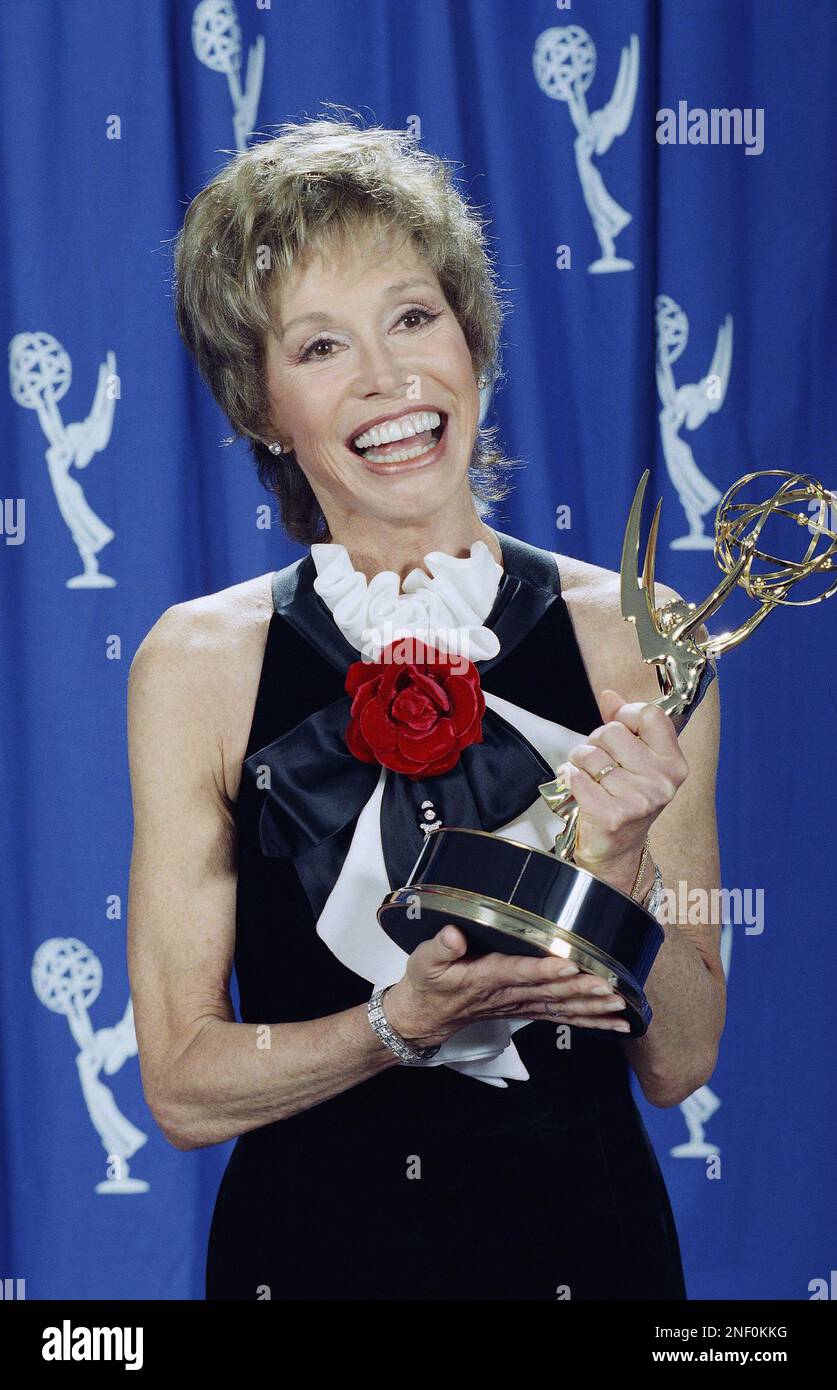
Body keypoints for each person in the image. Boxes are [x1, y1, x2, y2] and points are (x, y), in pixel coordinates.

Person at [127, 115, 725, 1300]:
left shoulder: (645, 633)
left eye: (412, 317)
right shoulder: (195, 664)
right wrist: (392, 1024)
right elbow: (185, 1084)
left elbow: (683, 1056)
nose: (387, 379)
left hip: (587, 1256)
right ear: (259, 410)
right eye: (317, 347)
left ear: (470, 339)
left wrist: (619, 866)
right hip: (306, 1263)